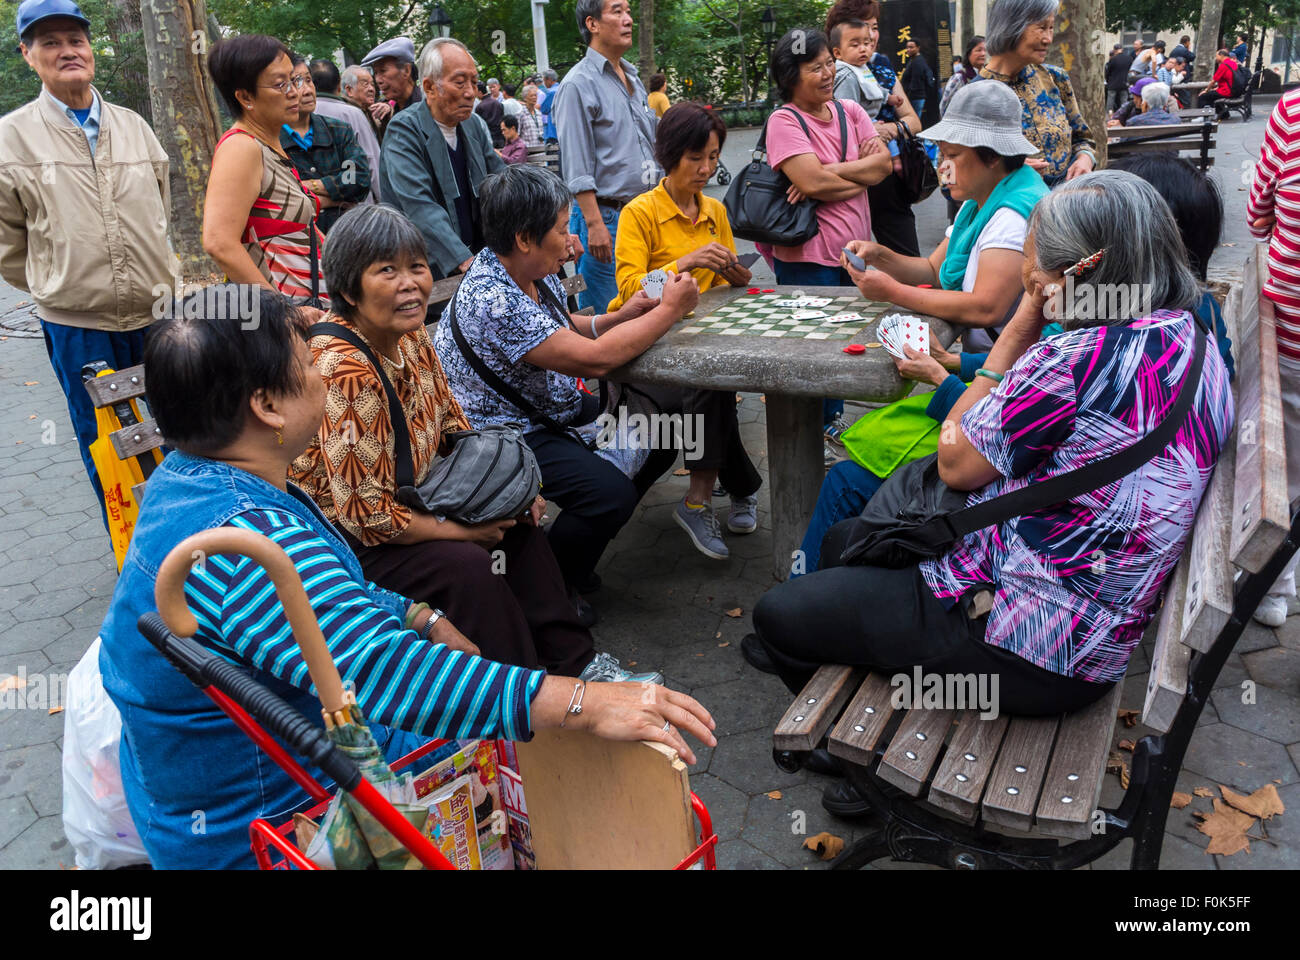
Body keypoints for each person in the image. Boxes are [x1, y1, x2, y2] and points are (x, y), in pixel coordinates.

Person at [98, 284, 716, 869]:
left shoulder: (190, 479)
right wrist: (579, 703)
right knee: (528, 743)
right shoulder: (243, 544)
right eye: (305, 363)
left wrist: (420, 614)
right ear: (265, 406)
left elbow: (334, 599)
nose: (321, 374)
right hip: (275, 820)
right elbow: (377, 670)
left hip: (276, 763)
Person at [750, 171, 1234, 815]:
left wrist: (1023, 324)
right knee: (847, 541)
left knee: (780, 615)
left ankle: (873, 769)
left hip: (1031, 642)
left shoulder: (1075, 358)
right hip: (1089, 612)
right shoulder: (1189, 338)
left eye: (1034, 270)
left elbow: (954, 459)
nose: (1026, 282)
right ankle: (878, 740)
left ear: (1082, 270)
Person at [288, 204, 642, 676]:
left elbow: (454, 427)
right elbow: (366, 516)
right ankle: (519, 695)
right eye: (386, 271)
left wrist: (512, 488)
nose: (409, 283)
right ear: (350, 288)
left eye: (416, 266)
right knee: (469, 564)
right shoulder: (344, 369)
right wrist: (465, 531)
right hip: (349, 541)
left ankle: (575, 667)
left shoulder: (410, 336)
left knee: (518, 521)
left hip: (415, 498)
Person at [767, 81, 1045, 584]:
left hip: (997, 394)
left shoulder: (1011, 213)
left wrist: (890, 292)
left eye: (952, 153)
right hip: (983, 374)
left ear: (989, 157)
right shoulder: (981, 201)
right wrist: (882, 258)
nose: (941, 162)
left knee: (853, 474)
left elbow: (985, 306)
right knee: (869, 440)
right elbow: (934, 270)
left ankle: (808, 590)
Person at [433, 164, 703, 604]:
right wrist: (668, 311)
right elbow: (596, 362)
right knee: (609, 495)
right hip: (505, 433)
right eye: (562, 229)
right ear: (524, 238)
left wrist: (622, 315)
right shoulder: (492, 297)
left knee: (661, 436)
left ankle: (575, 552)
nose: (570, 240)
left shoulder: (527, 270)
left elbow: (561, 328)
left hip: (549, 408)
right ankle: (550, 584)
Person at [0, 0, 179, 522]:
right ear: (28, 55)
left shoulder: (134, 126)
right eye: (50, 42)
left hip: (158, 315)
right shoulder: (11, 138)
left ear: (89, 48)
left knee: (184, 432)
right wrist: (56, 281)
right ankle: (135, 560)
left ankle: (201, 553)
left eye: (75, 39)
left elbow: (161, 215)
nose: (67, 51)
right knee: (107, 448)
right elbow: (9, 246)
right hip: (78, 325)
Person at [607, 103, 763, 558]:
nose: (706, 168)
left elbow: (731, 277)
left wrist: (736, 271)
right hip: (648, 346)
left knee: (712, 376)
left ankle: (734, 489)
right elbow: (630, 288)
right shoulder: (638, 214)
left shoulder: (714, 210)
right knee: (711, 383)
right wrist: (685, 262)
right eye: (697, 157)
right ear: (670, 155)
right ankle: (703, 498)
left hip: (705, 336)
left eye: (713, 157)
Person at [761, 26, 892, 457]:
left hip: (853, 252)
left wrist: (825, 174)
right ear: (790, 76)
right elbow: (813, 180)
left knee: (846, 346)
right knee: (810, 351)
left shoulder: (851, 110)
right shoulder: (784, 120)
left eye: (828, 64)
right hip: (807, 256)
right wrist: (845, 170)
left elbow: (884, 167)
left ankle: (831, 428)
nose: (827, 73)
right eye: (814, 67)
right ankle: (802, 440)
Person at [203, 34, 329, 314]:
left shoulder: (270, 145)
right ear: (245, 96)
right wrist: (285, 314)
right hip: (287, 325)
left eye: (294, 79)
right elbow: (219, 242)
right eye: (280, 84)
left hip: (312, 311)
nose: (295, 91)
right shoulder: (241, 147)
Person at [554, 0, 659, 314]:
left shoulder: (634, 79)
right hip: (606, 219)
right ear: (592, 24)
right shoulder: (577, 84)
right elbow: (575, 163)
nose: (628, 19)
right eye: (617, 11)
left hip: (646, 213)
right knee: (607, 314)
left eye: (628, 11)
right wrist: (594, 223)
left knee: (649, 306)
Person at [379, 37, 504, 282]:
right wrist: (464, 259)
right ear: (429, 87)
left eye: (474, 82)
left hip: (477, 261)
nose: (470, 92)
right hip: (427, 268)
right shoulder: (404, 129)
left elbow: (502, 181)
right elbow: (418, 204)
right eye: (459, 82)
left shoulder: (473, 124)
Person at [1247, 86, 1300, 625]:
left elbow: (1258, 216)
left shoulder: (1292, 112)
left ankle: (1275, 585)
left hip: (1292, 329)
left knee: (1287, 461)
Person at [826, 2, 923, 262]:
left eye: (875, 27)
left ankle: (917, 298)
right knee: (842, 260)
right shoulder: (831, 69)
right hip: (844, 173)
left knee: (905, 254)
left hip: (886, 179)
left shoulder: (880, 67)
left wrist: (886, 130)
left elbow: (913, 121)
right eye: (862, 26)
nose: (870, 35)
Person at [979, 0, 1096, 186]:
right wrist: (1005, 172)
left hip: (1064, 205)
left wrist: (1085, 158)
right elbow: (948, 176)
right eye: (1041, 28)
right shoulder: (972, 95)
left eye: (1051, 28)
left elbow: (1082, 139)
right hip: (1013, 210)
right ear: (1010, 27)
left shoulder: (1055, 78)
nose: (1048, 38)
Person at [279, 55, 371, 234]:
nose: (307, 90)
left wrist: (310, 186)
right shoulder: (272, 141)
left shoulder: (338, 130)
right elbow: (282, 199)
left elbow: (358, 179)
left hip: (347, 236)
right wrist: (335, 199)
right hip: (300, 244)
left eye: (308, 80)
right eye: (297, 82)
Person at [312, 58, 382, 203]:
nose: (371, 89)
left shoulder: (298, 114)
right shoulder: (352, 114)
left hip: (314, 209)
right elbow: (372, 160)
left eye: (372, 84)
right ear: (341, 87)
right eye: (365, 84)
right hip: (356, 206)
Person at [360, 35, 423, 131]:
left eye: (383, 71)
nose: (378, 80)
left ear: (406, 70)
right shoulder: (390, 112)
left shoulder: (426, 111)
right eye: (376, 73)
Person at [940, 34, 986, 117]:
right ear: (969, 53)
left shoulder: (989, 76)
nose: (983, 54)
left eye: (985, 50)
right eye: (979, 50)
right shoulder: (959, 77)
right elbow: (945, 105)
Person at [901, 38, 935, 115]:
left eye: (911, 47)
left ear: (918, 48)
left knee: (915, 121)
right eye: (907, 47)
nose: (908, 49)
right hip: (915, 97)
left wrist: (907, 96)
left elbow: (915, 83)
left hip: (915, 97)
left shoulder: (918, 62)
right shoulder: (914, 60)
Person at [475, 79, 506, 148]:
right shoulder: (498, 103)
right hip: (501, 137)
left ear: (480, 92)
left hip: (489, 138)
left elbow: (480, 126)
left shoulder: (480, 107)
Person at [1104, 42, 1133, 112]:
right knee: (1124, 100)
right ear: (1122, 49)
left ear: (1114, 50)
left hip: (1113, 83)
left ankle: (1109, 115)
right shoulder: (1129, 58)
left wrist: (1108, 80)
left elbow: (1108, 72)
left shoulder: (1113, 59)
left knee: (1110, 100)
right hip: (1124, 82)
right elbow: (1130, 70)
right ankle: (1124, 113)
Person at [540, 67, 560, 142]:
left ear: (548, 80)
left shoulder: (551, 92)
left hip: (553, 129)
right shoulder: (562, 88)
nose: (544, 83)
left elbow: (544, 109)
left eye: (544, 80)